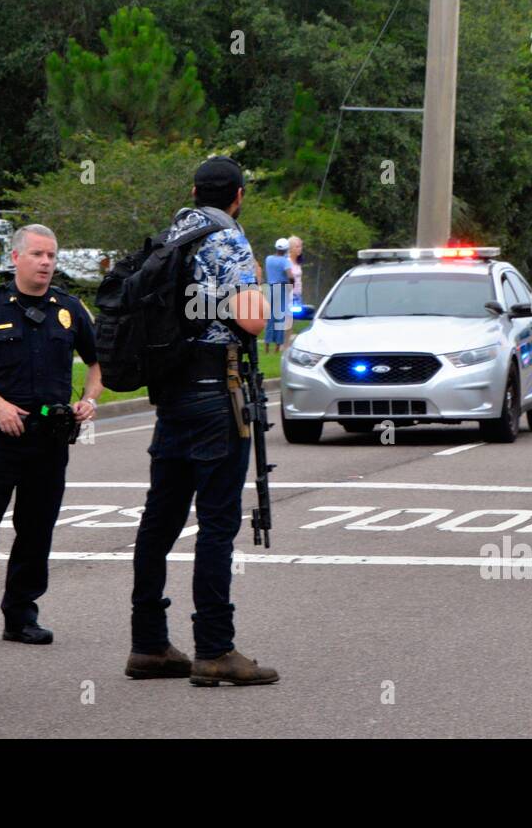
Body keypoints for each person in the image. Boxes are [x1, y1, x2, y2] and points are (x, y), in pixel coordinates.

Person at [125, 156, 279, 686]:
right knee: (217, 526)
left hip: (173, 394)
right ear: (238, 195)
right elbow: (253, 319)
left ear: (193, 191)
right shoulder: (228, 241)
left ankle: (148, 643)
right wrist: (253, 283)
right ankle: (214, 648)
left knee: (159, 521)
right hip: (218, 393)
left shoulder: (174, 234)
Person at [0, 224, 102, 647]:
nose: (46, 262)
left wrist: (89, 400)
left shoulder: (69, 309)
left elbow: (99, 361)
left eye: (51, 255)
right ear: (16, 258)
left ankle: (21, 616)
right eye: (37, 255)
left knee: (37, 530)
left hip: (49, 441)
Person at [263, 238, 293, 353]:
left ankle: (266, 346)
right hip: (281, 288)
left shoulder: (268, 259)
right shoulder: (285, 261)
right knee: (280, 318)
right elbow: (290, 275)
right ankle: (276, 348)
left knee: (270, 317)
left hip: (270, 289)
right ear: (286, 249)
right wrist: (291, 287)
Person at [287, 235, 304, 309]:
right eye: (297, 247)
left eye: (300, 246)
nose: (299, 249)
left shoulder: (298, 262)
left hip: (298, 294)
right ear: (290, 248)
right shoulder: (287, 262)